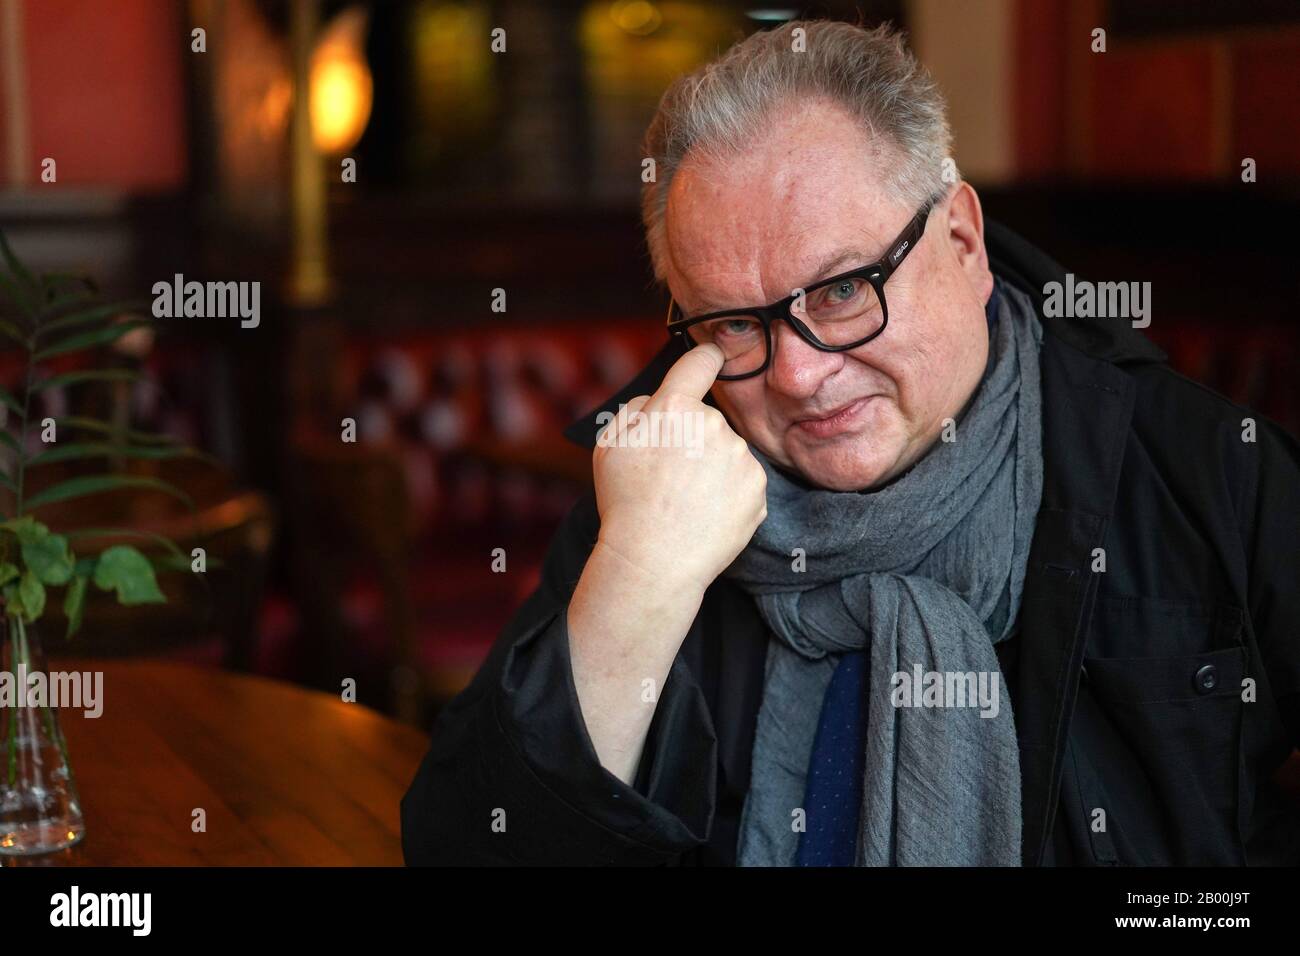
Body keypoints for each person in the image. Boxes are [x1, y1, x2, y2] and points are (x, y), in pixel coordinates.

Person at [401, 19, 1300, 866]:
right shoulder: (661, 484)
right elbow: (471, 848)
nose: (795, 376)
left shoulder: (1208, 472)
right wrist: (639, 573)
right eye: (735, 326)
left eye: (839, 291)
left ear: (962, 240)